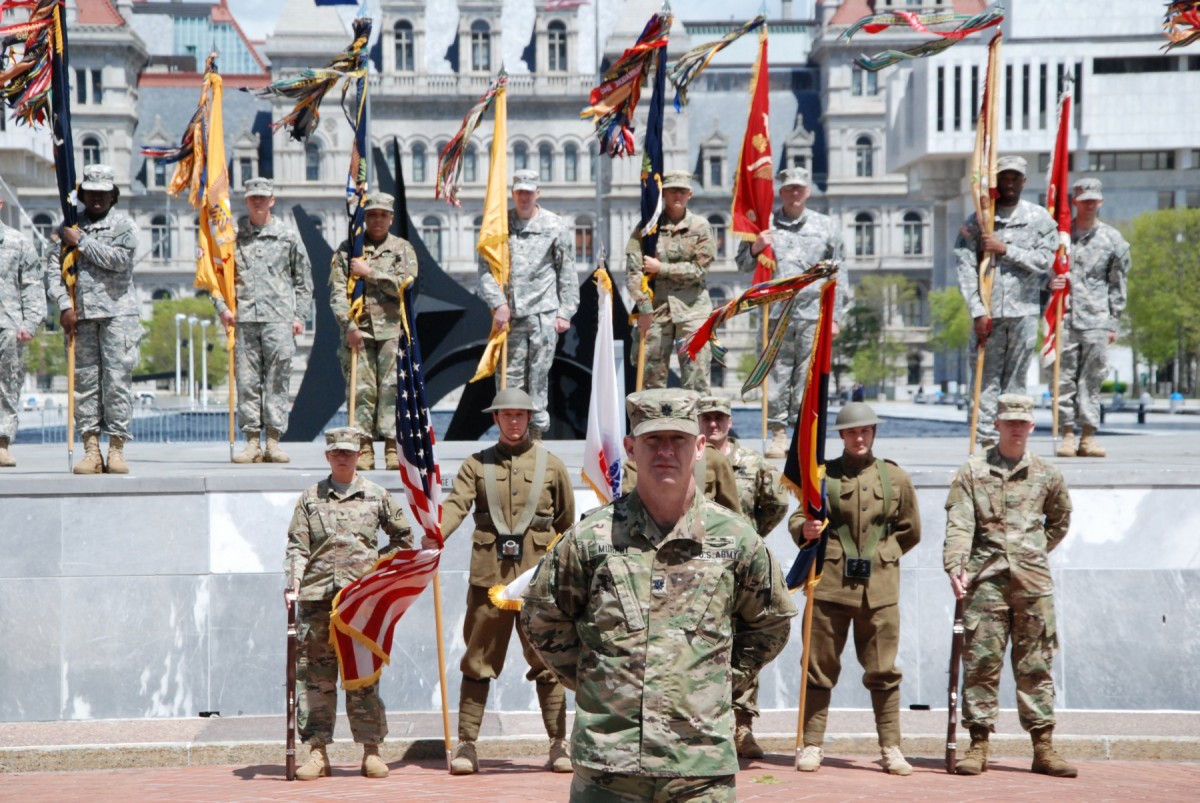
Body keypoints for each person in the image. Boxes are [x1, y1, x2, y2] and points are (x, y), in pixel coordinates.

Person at [522, 388, 797, 801]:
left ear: (701, 446)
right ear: (631, 448)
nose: (665, 451)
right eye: (653, 440)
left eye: (678, 440)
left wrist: (715, 679)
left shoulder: (737, 540)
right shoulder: (591, 538)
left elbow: (769, 625)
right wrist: (600, 679)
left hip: (700, 769)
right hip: (608, 768)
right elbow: (543, 617)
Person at [433, 388, 576, 775]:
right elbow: (456, 506)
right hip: (490, 581)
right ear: (495, 419)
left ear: (530, 419)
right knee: (478, 661)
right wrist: (435, 535)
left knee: (549, 662)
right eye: (506, 415)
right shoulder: (476, 465)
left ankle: (558, 744)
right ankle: (467, 745)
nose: (513, 422)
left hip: (539, 582)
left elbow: (567, 526)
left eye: (520, 415)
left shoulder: (552, 466)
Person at [944, 394, 1077, 778]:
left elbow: (1060, 520)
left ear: (1032, 427)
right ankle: (978, 744)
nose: (1017, 428)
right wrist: (956, 564)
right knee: (981, 664)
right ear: (997, 425)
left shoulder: (1047, 474)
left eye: (1023, 422)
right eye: (1010, 421)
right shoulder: (972, 471)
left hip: (1033, 583)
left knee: (1036, 665)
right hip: (985, 581)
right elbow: (960, 523)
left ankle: (1043, 748)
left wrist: (1031, 550)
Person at [789, 401, 921, 775]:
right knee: (817, 668)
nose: (858, 437)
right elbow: (799, 516)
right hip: (828, 585)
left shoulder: (895, 478)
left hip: (878, 591)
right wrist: (806, 530)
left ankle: (891, 747)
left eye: (864, 431)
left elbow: (910, 529)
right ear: (842, 436)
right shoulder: (822, 474)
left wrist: (885, 555)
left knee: (883, 671)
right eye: (851, 432)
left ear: (873, 434)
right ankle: (812, 744)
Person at [283, 426, 413, 781]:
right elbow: (298, 546)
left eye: (349, 452)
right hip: (318, 602)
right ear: (328, 456)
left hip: (358, 605)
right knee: (316, 680)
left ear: (359, 455)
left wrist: (376, 570)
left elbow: (404, 539)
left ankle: (371, 750)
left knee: (363, 678)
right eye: (336, 452)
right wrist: (293, 583)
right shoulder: (311, 498)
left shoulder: (376, 496)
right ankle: (317, 751)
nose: (343, 457)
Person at [697, 395, 789, 757]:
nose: (714, 424)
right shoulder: (691, 460)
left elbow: (777, 504)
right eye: (707, 419)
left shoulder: (752, 462)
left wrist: (751, 535)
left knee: (745, 640)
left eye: (720, 418)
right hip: (700, 566)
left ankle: (743, 726)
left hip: (741, 566)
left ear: (730, 422)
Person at [736, 166, 847, 458]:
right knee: (778, 374)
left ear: (808, 191)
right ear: (780, 192)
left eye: (799, 188)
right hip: (777, 313)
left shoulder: (826, 226)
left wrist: (836, 316)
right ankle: (777, 434)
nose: (794, 193)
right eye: (789, 188)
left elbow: (840, 272)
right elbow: (743, 265)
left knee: (807, 375)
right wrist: (755, 248)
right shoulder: (764, 224)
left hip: (814, 313)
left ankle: (801, 434)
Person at [955, 155, 1057, 447]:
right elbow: (965, 271)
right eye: (1004, 178)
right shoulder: (978, 222)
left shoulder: (1039, 220)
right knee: (983, 382)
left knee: (1016, 383)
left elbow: (1044, 261)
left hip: (1023, 313)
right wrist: (977, 312)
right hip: (988, 315)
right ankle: (986, 443)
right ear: (995, 181)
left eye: (1015, 178)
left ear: (1024, 182)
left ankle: (1011, 444)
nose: (1009, 183)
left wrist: (1005, 249)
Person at [47, 164, 141, 475]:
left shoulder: (124, 226)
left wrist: (82, 242)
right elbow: (53, 271)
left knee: (116, 384)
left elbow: (118, 261)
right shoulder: (68, 228)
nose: (97, 198)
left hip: (118, 317)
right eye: (91, 192)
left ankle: (116, 448)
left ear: (113, 196)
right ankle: (90, 449)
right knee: (85, 385)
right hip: (80, 317)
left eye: (103, 193)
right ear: (83, 194)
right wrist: (63, 307)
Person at [477, 169, 578, 438]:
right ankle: (510, 437)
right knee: (509, 380)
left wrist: (565, 312)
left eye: (529, 192)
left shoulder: (555, 225)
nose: (524, 197)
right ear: (513, 193)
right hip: (509, 317)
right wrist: (498, 303)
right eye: (519, 192)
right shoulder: (498, 227)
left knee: (538, 377)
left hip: (543, 315)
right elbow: (485, 271)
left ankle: (535, 437)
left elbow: (566, 271)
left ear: (538, 193)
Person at [223, 177, 313, 464]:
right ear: (246, 200)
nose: (258, 201)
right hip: (244, 320)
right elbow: (217, 278)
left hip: (279, 320)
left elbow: (304, 280)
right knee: (247, 382)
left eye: (263, 197)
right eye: (253, 197)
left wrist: (299, 316)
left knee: (278, 380)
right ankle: (251, 442)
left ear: (272, 200)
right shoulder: (232, 235)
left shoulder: (287, 235)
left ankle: (273, 440)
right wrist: (221, 307)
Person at [330, 191, 419, 470]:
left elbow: (405, 286)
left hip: (392, 332)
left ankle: (393, 448)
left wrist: (370, 273)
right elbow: (336, 294)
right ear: (364, 218)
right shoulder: (348, 250)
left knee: (392, 390)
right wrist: (349, 326)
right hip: (360, 333)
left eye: (382, 215)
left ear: (391, 218)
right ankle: (363, 448)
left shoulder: (403, 249)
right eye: (371, 215)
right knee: (361, 391)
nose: (377, 220)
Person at [1052, 178, 1130, 458]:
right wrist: (1050, 283)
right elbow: (1041, 271)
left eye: (1093, 200)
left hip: (1097, 319)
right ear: (1074, 201)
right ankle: (1067, 434)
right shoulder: (1059, 238)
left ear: (1101, 202)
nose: (1089, 204)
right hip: (1065, 318)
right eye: (1083, 200)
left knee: (1092, 379)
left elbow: (1118, 284)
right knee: (1063, 379)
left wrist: (1113, 322)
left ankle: (1088, 435)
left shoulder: (1113, 240)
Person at [626, 170, 717, 393]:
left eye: (682, 190)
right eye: (672, 190)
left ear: (690, 194)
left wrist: (662, 268)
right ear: (663, 193)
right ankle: (652, 427)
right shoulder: (648, 228)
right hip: (656, 310)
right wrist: (645, 309)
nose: (677, 194)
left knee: (696, 378)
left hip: (693, 309)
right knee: (651, 378)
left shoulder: (701, 227)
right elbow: (634, 272)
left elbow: (699, 270)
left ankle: (696, 427)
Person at [0, 200, 45, 468]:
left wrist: (30, 322)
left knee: (7, 385)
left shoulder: (17, 242)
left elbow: (32, 285)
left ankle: (1, 442)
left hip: (8, 327)